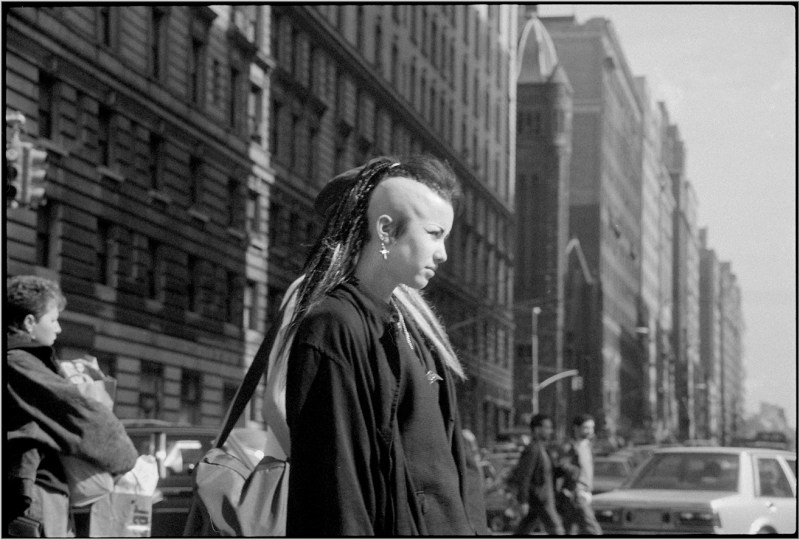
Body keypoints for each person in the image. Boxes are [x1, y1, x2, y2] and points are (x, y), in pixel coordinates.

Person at [282, 155, 487, 535]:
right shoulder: (332, 326)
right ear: (387, 231)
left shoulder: (412, 330)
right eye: (434, 234)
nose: (443, 253)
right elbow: (336, 491)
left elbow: (449, 465)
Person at [5, 275, 138, 537]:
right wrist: (125, 459)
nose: (59, 329)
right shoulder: (17, 362)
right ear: (30, 322)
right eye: (53, 320)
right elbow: (79, 413)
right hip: (35, 493)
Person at [512, 414, 565, 535]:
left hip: (544, 498)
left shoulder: (543, 449)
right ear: (536, 429)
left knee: (524, 529)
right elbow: (524, 475)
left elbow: (551, 472)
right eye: (547, 428)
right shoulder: (532, 449)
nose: (550, 431)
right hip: (540, 498)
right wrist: (523, 500)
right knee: (557, 529)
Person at [555, 413, 602, 535]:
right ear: (576, 428)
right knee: (593, 530)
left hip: (585, 493)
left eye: (592, 427)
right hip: (575, 494)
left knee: (569, 529)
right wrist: (575, 488)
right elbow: (563, 466)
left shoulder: (588, 446)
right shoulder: (569, 447)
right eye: (586, 427)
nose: (590, 431)